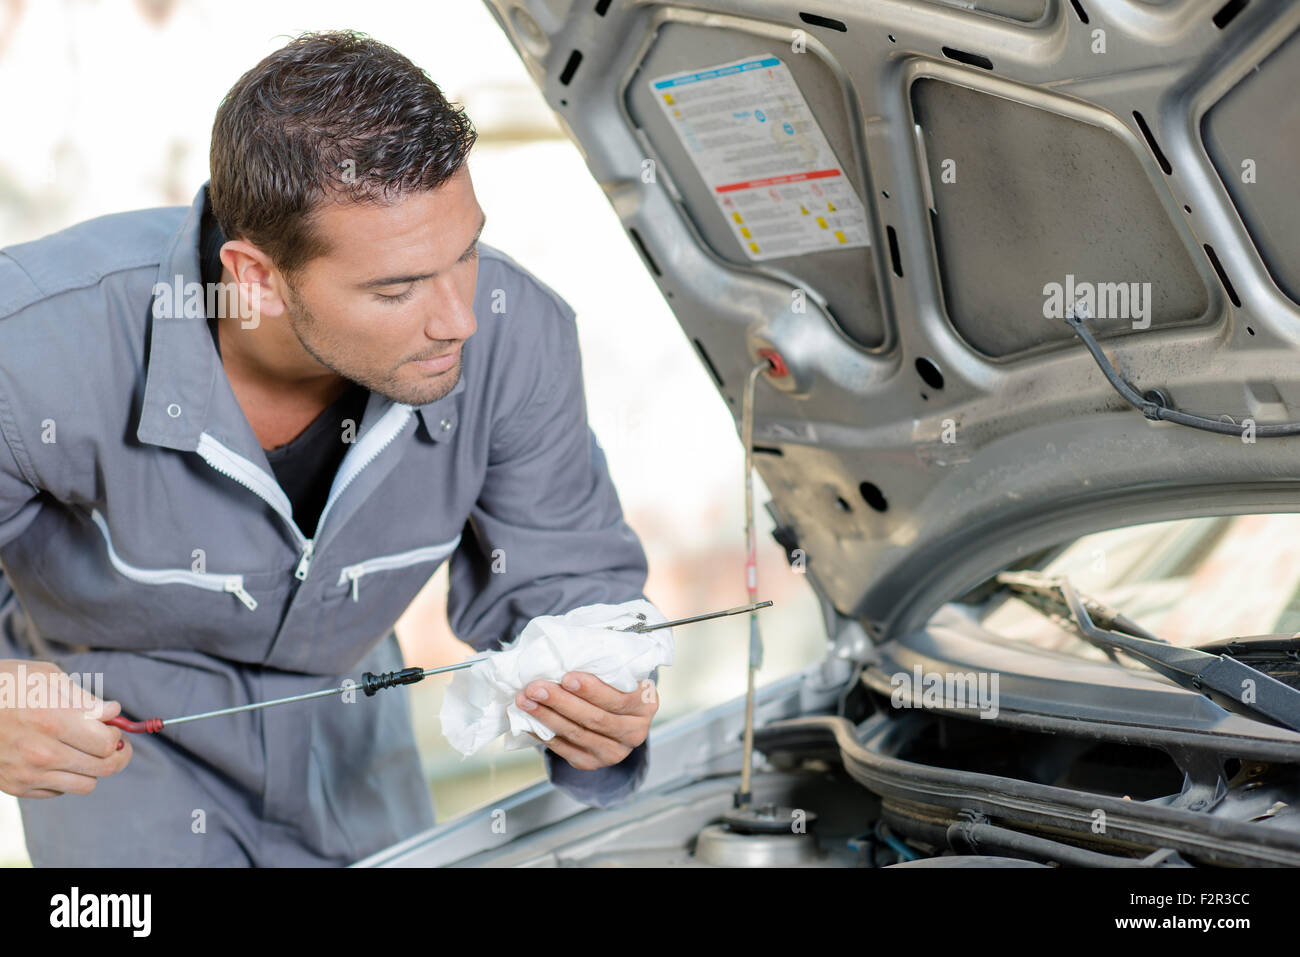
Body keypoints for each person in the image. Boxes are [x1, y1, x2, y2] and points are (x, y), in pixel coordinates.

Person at [0, 30, 662, 866]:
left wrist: (601, 697)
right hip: (122, 734)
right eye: (396, 288)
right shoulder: (33, 345)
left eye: (465, 253)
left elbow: (568, 588)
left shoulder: (515, 333)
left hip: (354, 731)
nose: (457, 317)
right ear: (258, 277)